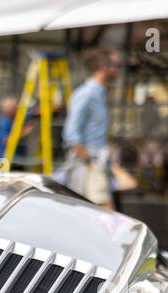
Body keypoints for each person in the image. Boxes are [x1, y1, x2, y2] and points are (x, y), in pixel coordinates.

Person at [61, 47, 121, 207]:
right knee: (104, 216)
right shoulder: (86, 93)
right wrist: (89, 163)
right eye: (117, 65)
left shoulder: (100, 93)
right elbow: (71, 133)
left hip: (98, 162)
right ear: (103, 67)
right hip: (89, 164)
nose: (119, 69)